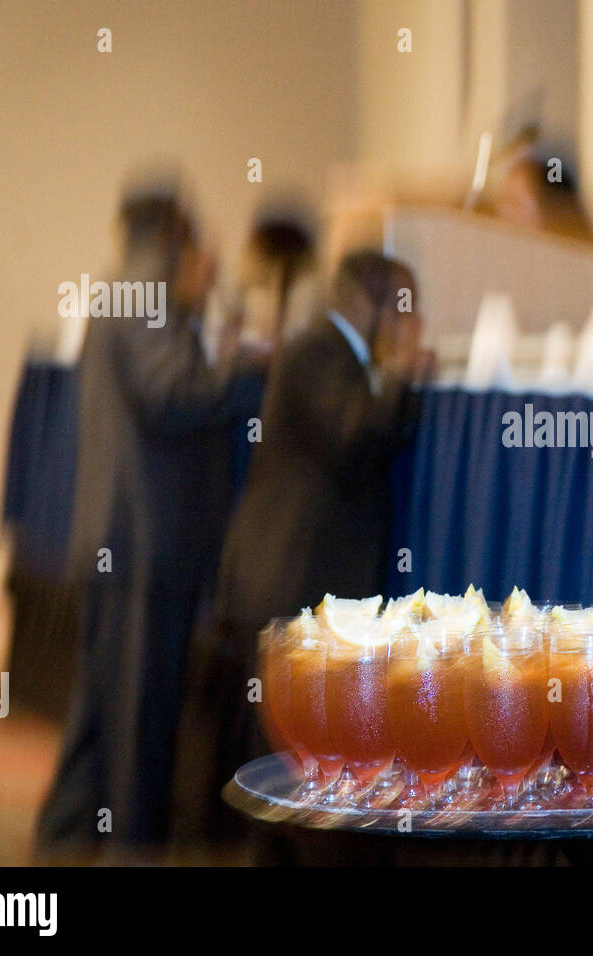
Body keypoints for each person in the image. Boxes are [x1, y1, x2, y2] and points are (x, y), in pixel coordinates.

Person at [178, 250, 431, 843]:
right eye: (406, 305)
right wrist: (398, 372)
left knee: (281, 748)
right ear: (374, 303)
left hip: (289, 568)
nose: (413, 320)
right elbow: (354, 437)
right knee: (280, 751)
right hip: (290, 569)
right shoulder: (321, 349)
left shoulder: (330, 349)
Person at [37, 182, 241, 854]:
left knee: (102, 706)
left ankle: (66, 832)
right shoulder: (150, 292)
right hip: (147, 545)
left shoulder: (121, 288)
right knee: (140, 717)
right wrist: (238, 367)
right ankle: (133, 846)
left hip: (116, 541)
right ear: (180, 233)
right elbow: (174, 397)